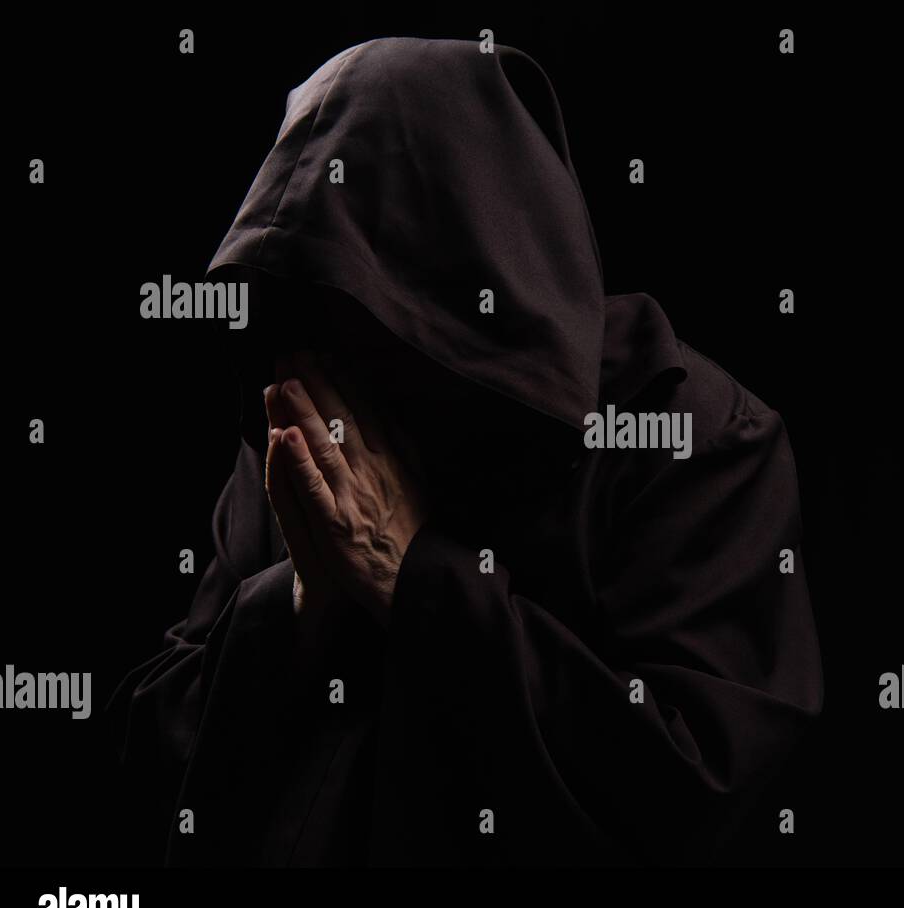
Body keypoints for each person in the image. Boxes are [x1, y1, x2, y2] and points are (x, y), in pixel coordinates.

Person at [108, 36, 822, 865]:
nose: (317, 375)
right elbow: (149, 758)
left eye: (358, 313)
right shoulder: (303, 414)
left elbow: (697, 790)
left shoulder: (691, 434)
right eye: (296, 313)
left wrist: (418, 582)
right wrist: (297, 609)